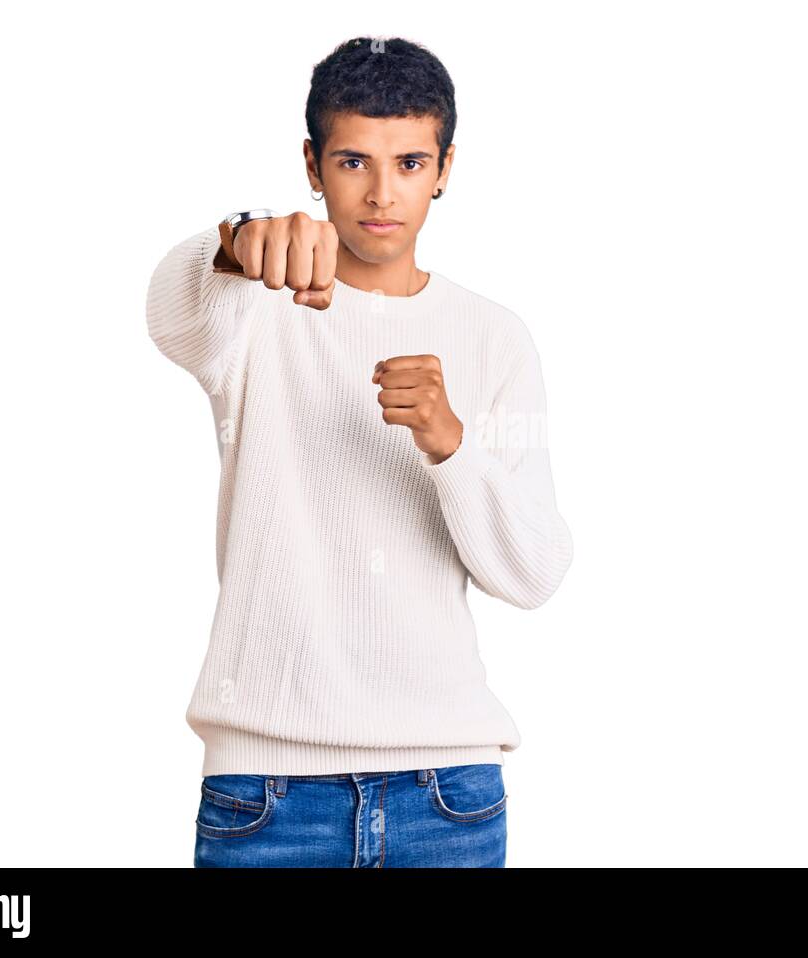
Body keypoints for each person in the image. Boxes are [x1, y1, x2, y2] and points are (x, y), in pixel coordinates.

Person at [144, 36, 573, 867]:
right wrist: (233, 242)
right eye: (353, 161)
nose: (382, 193)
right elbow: (170, 310)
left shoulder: (495, 337)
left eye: (410, 162)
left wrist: (451, 445)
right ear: (312, 163)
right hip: (265, 793)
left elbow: (536, 571)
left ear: (446, 168)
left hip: (445, 791)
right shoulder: (254, 303)